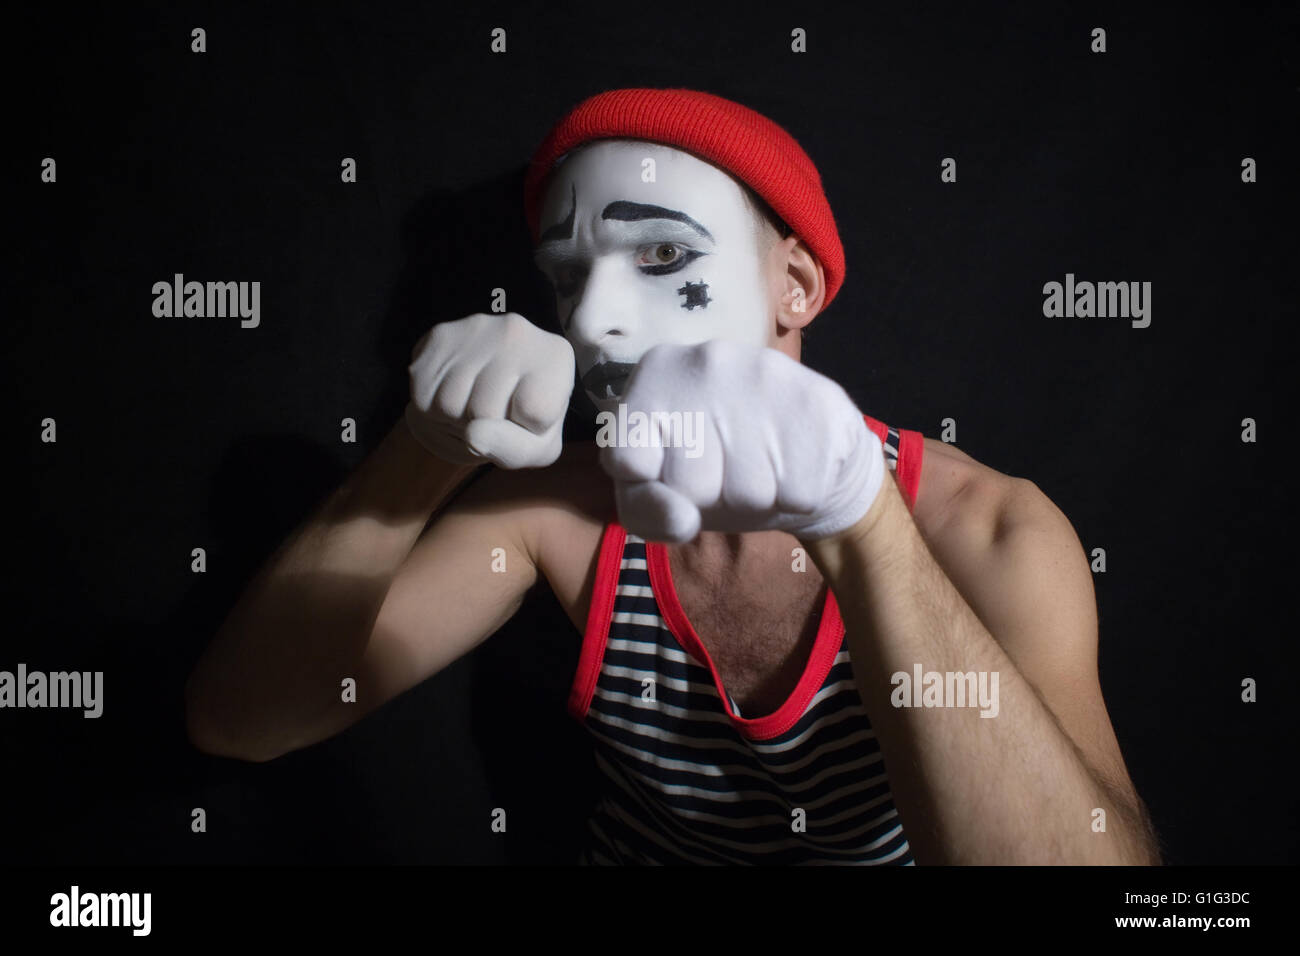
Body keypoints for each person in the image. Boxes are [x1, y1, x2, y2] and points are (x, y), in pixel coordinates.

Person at [185, 88, 1160, 865]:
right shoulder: (555, 513)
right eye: (568, 275)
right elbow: (243, 720)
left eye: (661, 252)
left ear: (795, 286)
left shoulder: (985, 528)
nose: (590, 319)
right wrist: (424, 450)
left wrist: (862, 524)